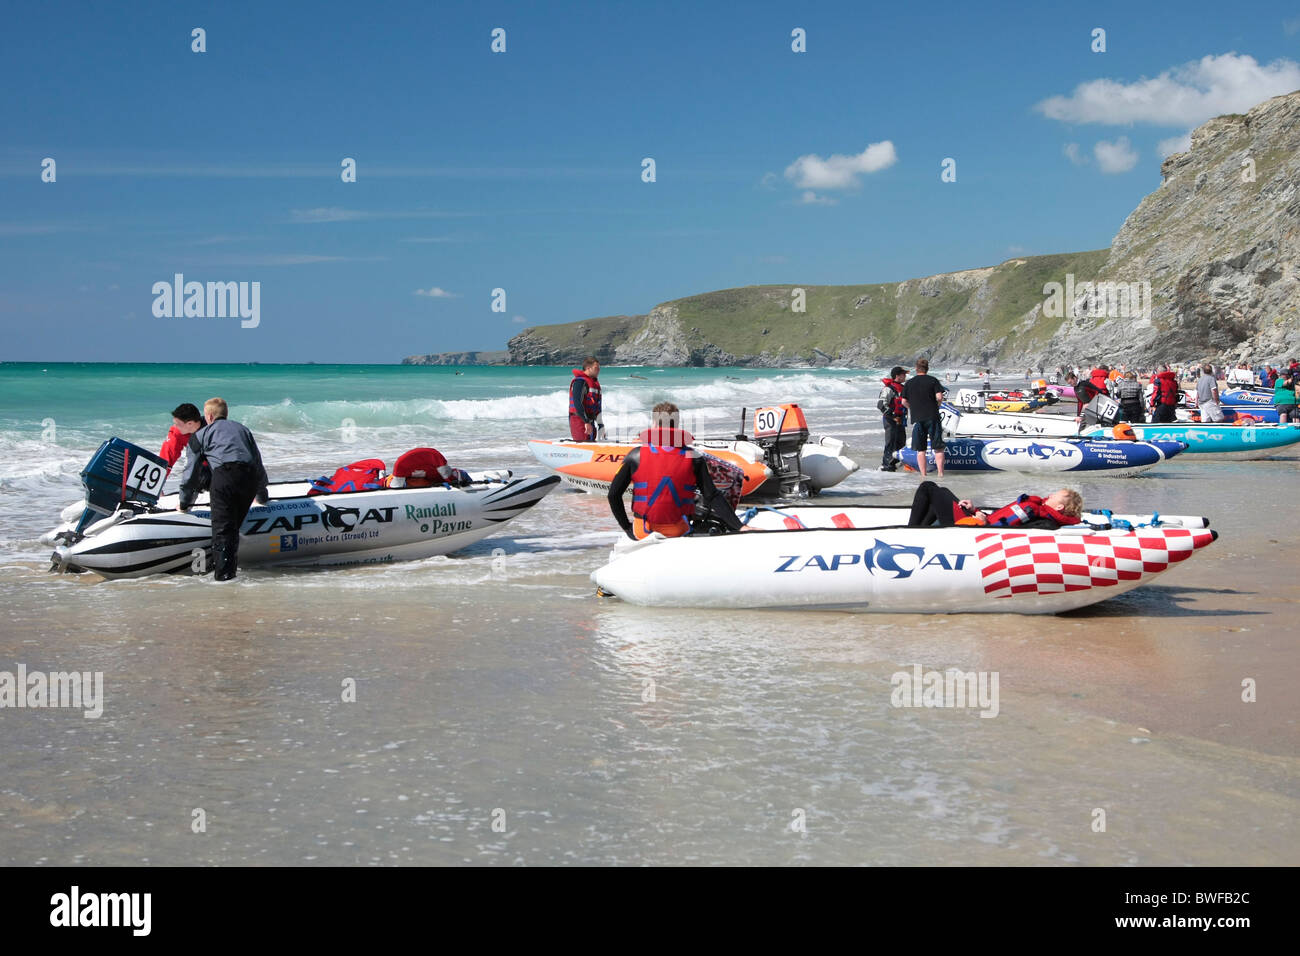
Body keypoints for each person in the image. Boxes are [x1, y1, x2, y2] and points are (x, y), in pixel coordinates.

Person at [607, 402, 743, 540]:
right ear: (676, 426)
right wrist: (740, 526)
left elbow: (613, 495)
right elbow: (712, 496)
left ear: (654, 424)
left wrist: (627, 528)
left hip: (642, 531)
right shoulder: (693, 457)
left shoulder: (635, 455)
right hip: (677, 531)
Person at [178, 398, 269, 582]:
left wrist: (184, 503)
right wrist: (262, 496)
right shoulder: (243, 430)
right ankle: (225, 570)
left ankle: (224, 581)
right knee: (232, 528)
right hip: (249, 478)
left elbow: (191, 473)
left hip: (226, 477)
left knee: (223, 532)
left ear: (209, 416)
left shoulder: (201, 434)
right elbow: (258, 463)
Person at [907, 480, 1083, 528]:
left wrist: (982, 521)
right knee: (942, 491)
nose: (1050, 495)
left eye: (1055, 496)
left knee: (928, 488)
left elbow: (1007, 531)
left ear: (1059, 507)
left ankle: (911, 532)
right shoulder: (1039, 510)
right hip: (980, 523)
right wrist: (975, 510)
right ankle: (920, 531)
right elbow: (1004, 520)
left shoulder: (1041, 518)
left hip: (971, 531)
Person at [901, 357, 947, 479]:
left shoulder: (909, 383)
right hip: (932, 416)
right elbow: (939, 397)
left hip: (918, 418)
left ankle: (923, 474)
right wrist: (936, 406)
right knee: (938, 447)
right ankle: (940, 474)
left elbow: (903, 401)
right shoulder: (933, 380)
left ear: (916, 369)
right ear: (927, 368)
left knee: (921, 449)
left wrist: (912, 408)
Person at [877, 365, 907, 472]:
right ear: (897, 376)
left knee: (901, 442)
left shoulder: (903, 388)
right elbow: (881, 405)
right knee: (890, 442)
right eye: (903, 374)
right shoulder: (888, 389)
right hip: (890, 419)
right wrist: (893, 416)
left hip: (900, 420)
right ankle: (886, 465)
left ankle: (895, 463)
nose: (905, 376)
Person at [159, 403, 204, 471]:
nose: (175, 426)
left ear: (190, 423)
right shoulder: (177, 432)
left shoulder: (213, 429)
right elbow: (166, 460)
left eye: (177, 424)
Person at [568, 357, 603, 441]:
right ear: (588, 368)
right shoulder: (580, 382)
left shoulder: (594, 384)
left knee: (591, 441)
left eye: (599, 368)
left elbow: (597, 406)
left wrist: (600, 424)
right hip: (579, 419)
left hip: (590, 421)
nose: (598, 370)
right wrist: (586, 421)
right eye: (596, 368)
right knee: (582, 441)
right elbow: (577, 403)